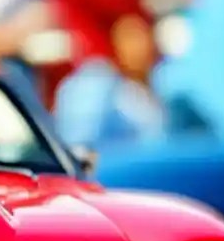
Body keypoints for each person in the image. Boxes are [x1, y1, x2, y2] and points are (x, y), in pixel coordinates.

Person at [53, 13, 167, 150]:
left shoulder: (165, 89)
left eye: (144, 37)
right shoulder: (96, 89)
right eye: (131, 39)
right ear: (117, 45)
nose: (140, 47)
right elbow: (80, 146)